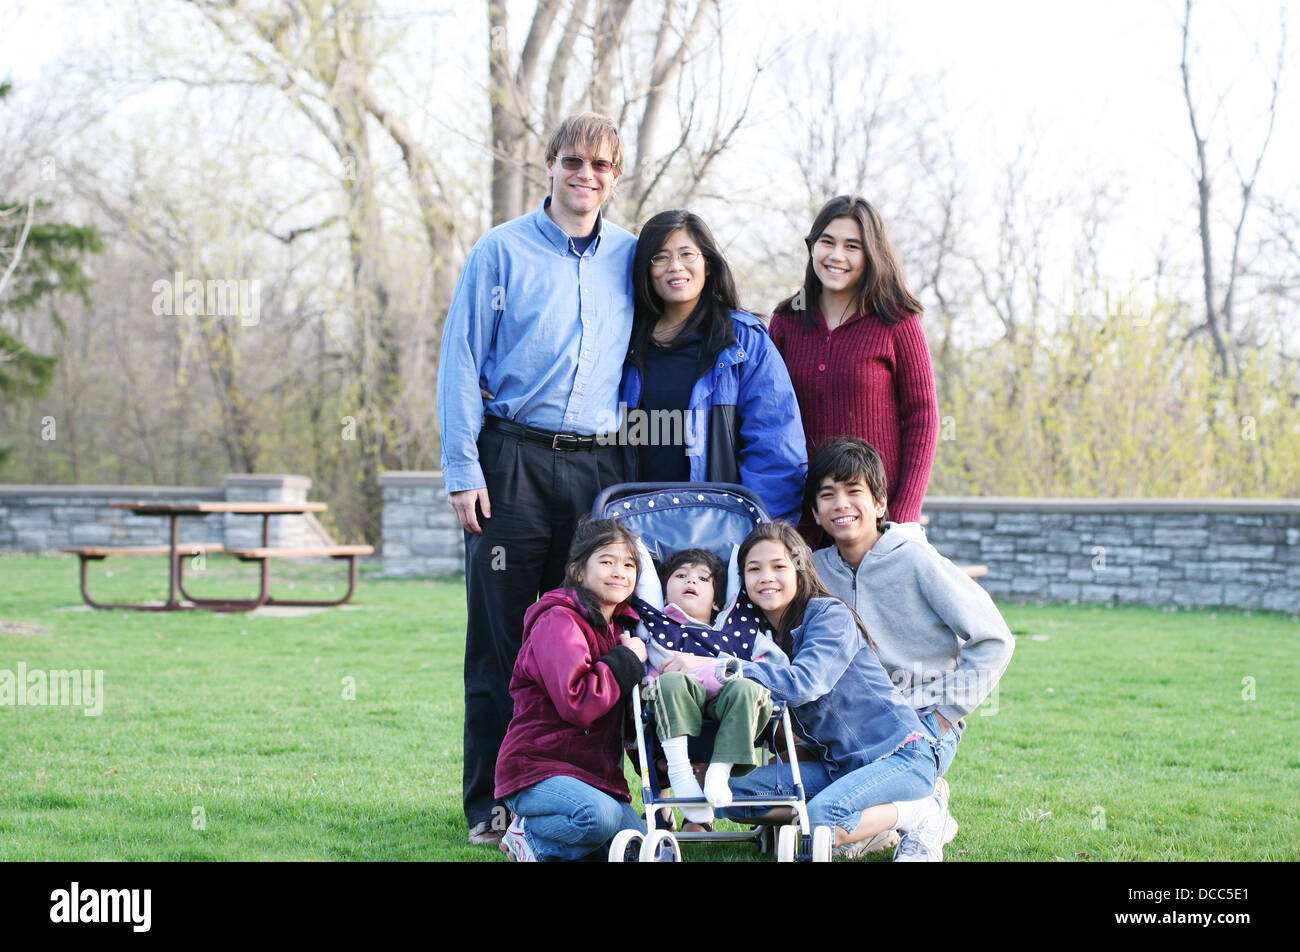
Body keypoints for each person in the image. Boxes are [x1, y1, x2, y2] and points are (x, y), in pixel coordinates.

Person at [437, 113, 637, 845]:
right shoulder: (501, 251)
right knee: (500, 642)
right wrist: (463, 468)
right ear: (548, 166)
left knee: (588, 641)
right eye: (573, 162)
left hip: (597, 468)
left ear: (616, 178)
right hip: (511, 462)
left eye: (602, 166)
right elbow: (460, 360)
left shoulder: (632, 256)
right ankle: (491, 804)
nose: (586, 175)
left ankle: (570, 795)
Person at [666, 522, 957, 861]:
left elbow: (804, 683)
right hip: (838, 768)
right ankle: (864, 813)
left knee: (820, 822)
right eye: (754, 569)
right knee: (730, 798)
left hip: (898, 755)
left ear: (800, 571)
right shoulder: (763, 642)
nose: (766, 577)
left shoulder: (829, 615)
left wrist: (718, 666)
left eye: (778, 566)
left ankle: (920, 811)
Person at [808, 436, 1014, 858]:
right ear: (815, 511)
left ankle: (925, 813)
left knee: (825, 823)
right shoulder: (814, 571)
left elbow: (994, 639)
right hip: (855, 730)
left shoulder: (916, 559)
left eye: (853, 492)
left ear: (881, 503)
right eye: (827, 495)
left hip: (922, 720)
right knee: (803, 824)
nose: (840, 504)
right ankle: (905, 808)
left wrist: (943, 713)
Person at [769, 195, 938, 542]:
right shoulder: (786, 321)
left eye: (852, 246)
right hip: (801, 518)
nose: (836, 256)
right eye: (827, 242)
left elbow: (923, 418)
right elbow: (766, 416)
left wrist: (903, 517)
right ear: (812, 246)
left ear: (871, 254)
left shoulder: (897, 320)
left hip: (874, 520)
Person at [621, 209, 806, 523]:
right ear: (645, 269)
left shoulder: (743, 343)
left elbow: (775, 448)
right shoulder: (625, 339)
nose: (674, 266)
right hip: (635, 525)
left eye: (686, 254)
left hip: (717, 528)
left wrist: (761, 536)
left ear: (707, 263)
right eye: (660, 257)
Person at [494, 519, 649, 862]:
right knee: (597, 819)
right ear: (579, 572)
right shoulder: (558, 620)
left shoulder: (619, 629)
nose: (619, 571)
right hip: (538, 767)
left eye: (628, 564)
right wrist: (626, 660)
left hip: (595, 776)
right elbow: (576, 702)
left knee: (637, 846)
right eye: (606, 561)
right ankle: (528, 837)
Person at [638, 547, 782, 827]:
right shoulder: (658, 630)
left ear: (717, 602)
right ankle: (681, 773)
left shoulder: (739, 630)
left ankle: (720, 770)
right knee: (669, 681)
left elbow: (772, 669)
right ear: (665, 595)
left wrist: (704, 667)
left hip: (734, 710)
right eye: (681, 575)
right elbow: (652, 676)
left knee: (749, 687)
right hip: (677, 714)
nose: (691, 581)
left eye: (703, 579)